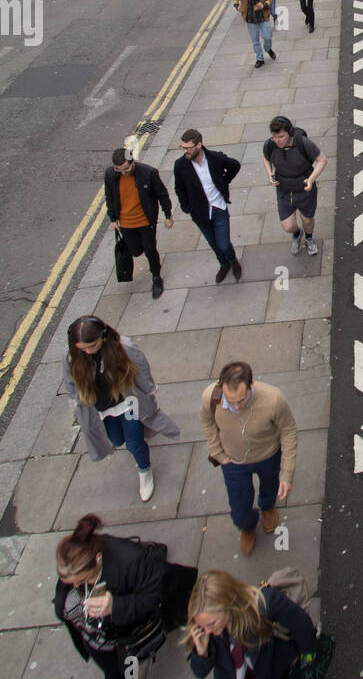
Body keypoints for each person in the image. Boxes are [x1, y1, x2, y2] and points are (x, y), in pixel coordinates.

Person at [54, 516, 194, 679]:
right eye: (66, 580)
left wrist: (115, 606)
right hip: (97, 640)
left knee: (123, 678)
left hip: (123, 642)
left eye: (79, 580)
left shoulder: (129, 561)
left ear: (97, 561)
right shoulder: (74, 565)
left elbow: (152, 597)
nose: (72, 585)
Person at [63, 316, 180, 501]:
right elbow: (70, 383)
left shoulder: (124, 347)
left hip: (128, 404)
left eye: (91, 346)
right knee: (117, 440)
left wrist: (149, 393)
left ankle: (144, 470)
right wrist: (75, 402)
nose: (87, 352)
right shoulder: (71, 355)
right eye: (82, 349)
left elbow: (142, 371)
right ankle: (137, 438)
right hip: (102, 408)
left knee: (134, 443)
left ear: (103, 336)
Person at [185, 570, 318, 679]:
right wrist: (202, 652)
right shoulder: (208, 634)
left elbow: (302, 626)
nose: (206, 631)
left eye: (211, 623)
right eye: (202, 626)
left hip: (271, 665)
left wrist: (308, 658)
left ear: (229, 604)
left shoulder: (266, 603)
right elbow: (200, 672)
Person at [199, 362, 298, 554]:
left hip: (268, 456)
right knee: (239, 508)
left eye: (242, 400)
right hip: (233, 461)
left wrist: (287, 473)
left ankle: (268, 507)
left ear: (251, 385)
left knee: (270, 487)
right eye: (231, 401)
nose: (236, 407)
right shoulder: (211, 397)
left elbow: (289, 431)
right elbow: (206, 420)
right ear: (221, 388)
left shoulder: (273, 399)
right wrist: (217, 452)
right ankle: (247, 525)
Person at [104, 146, 173, 300]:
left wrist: (167, 215)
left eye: (126, 169)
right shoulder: (110, 175)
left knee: (150, 251)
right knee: (135, 251)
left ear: (132, 161)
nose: (123, 173)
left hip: (145, 221)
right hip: (126, 223)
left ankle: (156, 277)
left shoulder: (149, 173)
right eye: (119, 170)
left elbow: (162, 194)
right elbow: (109, 197)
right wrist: (112, 219)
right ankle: (140, 250)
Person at [173, 129, 242, 282]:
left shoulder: (215, 158)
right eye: (182, 147)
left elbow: (235, 165)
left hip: (218, 208)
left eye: (188, 148)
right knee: (213, 243)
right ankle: (224, 264)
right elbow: (179, 188)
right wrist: (186, 207)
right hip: (199, 212)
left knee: (224, 244)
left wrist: (225, 181)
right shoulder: (180, 165)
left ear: (199, 145)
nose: (185, 151)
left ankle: (233, 261)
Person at [261, 114, 327, 255]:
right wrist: (270, 173)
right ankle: (297, 234)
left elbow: (322, 160)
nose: (277, 140)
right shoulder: (270, 144)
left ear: (290, 133)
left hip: (304, 189)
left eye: (281, 137)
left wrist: (311, 179)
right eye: (274, 136)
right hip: (284, 191)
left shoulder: (303, 143)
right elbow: (265, 157)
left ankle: (309, 238)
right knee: (288, 226)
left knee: (307, 220)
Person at [233, 0, 275, 68]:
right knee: (255, 40)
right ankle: (259, 58)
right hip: (250, 18)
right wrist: (236, 3)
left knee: (267, 37)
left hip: (262, 16)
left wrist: (265, 4)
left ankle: (268, 49)